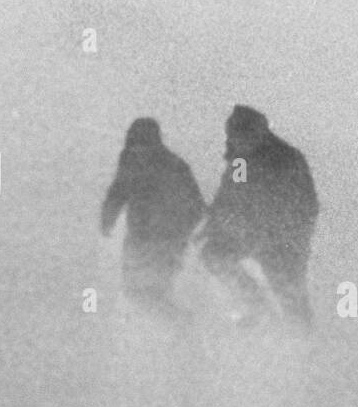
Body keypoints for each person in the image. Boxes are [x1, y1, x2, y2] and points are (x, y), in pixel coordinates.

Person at [199, 105, 319, 327]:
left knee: (288, 290)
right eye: (233, 137)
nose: (236, 142)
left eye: (242, 136)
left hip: (284, 239)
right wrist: (214, 223)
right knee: (214, 254)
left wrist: (284, 233)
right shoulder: (242, 161)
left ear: (258, 133)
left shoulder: (286, 160)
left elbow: (305, 204)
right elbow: (231, 192)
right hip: (251, 232)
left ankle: (304, 340)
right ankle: (254, 301)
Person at [100, 117, 206, 315]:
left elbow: (196, 207)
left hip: (166, 242)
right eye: (134, 144)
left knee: (153, 292)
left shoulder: (175, 168)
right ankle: (175, 328)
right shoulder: (129, 160)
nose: (138, 150)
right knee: (134, 291)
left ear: (155, 144)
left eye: (143, 144)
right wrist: (108, 217)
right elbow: (118, 190)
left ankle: (181, 328)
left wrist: (176, 234)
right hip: (138, 238)